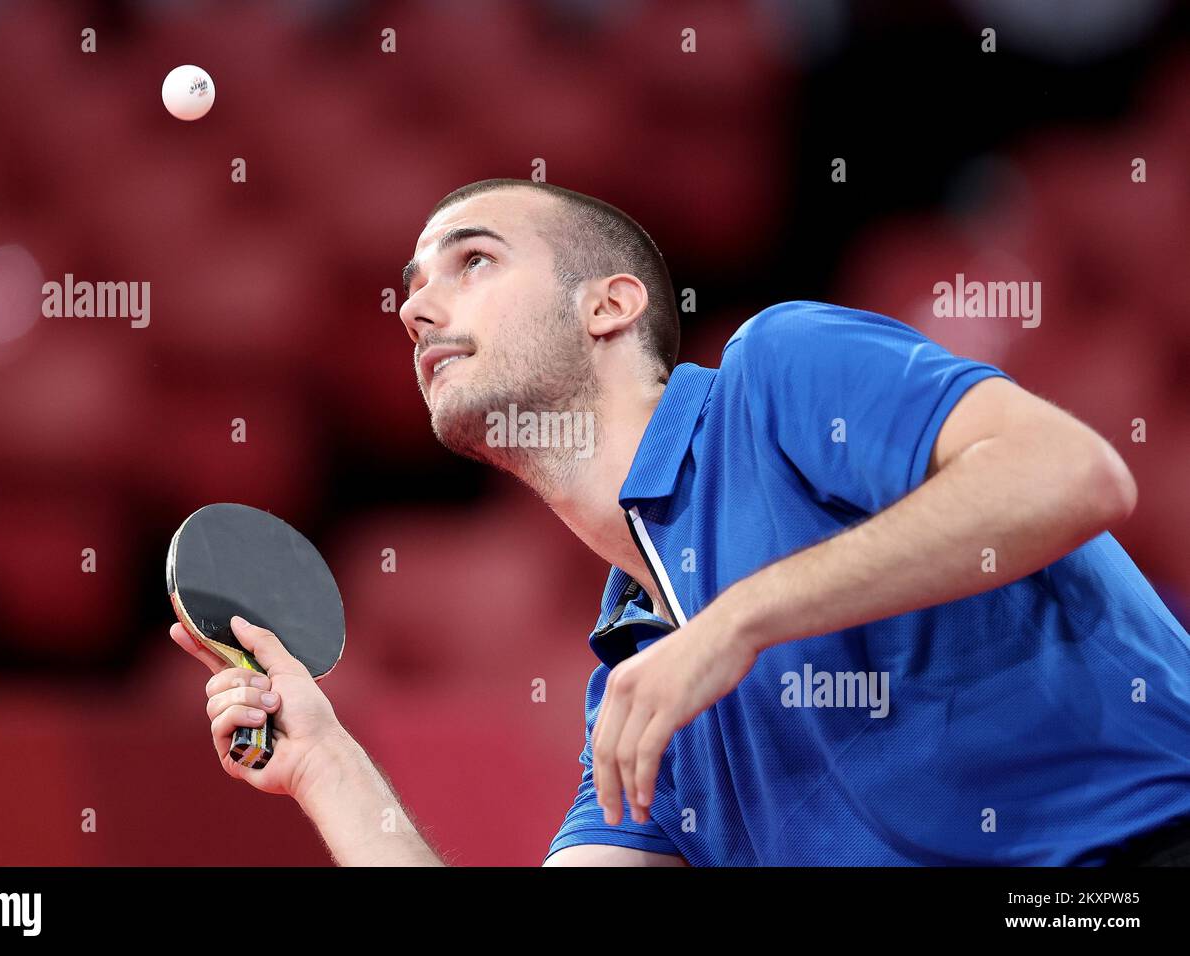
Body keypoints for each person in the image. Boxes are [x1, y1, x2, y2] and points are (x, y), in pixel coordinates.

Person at [172, 178, 1190, 866]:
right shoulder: (636, 682)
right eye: (409, 290)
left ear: (609, 305)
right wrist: (327, 763)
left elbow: (1073, 472)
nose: (415, 309)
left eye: (470, 261)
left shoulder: (778, 373)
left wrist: (737, 621)